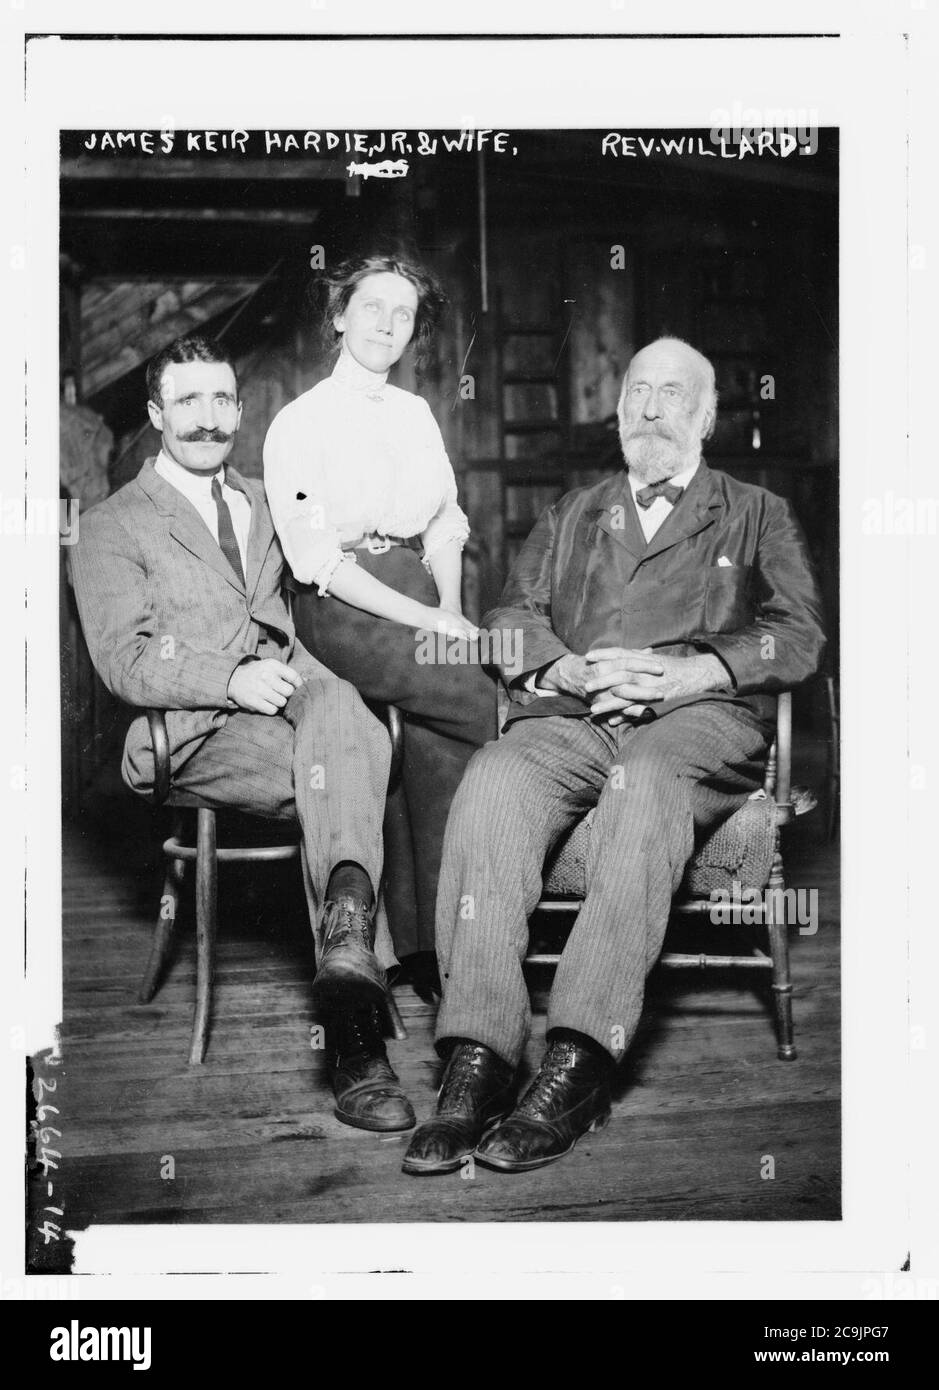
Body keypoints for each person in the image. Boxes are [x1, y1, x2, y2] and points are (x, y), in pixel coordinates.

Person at [403, 336, 827, 1175]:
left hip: (697, 722)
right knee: (491, 779)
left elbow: (801, 635)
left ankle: (580, 1058)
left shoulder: (755, 511)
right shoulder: (573, 511)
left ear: (706, 415)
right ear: (618, 410)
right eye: (637, 391)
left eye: (674, 393)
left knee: (644, 783)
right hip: (578, 713)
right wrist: (560, 664)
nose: (651, 407)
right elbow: (509, 616)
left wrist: (693, 671)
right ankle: (477, 1056)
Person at [70, 332, 418, 1134]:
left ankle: (346, 934)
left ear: (239, 409)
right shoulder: (110, 525)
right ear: (157, 414)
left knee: (342, 711)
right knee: (344, 769)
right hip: (189, 731)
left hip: (293, 696)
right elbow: (123, 659)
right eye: (186, 401)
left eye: (222, 400)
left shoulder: (268, 500)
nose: (207, 419)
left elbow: (347, 545)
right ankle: (357, 1042)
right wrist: (228, 679)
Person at [263, 254, 497, 988]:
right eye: (372, 308)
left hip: (422, 590)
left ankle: (431, 952)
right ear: (339, 317)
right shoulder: (298, 423)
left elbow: (444, 521)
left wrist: (451, 610)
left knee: (433, 744)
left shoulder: (416, 414)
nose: (387, 325)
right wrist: (428, 619)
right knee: (481, 703)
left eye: (403, 316)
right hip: (341, 604)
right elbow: (316, 560)